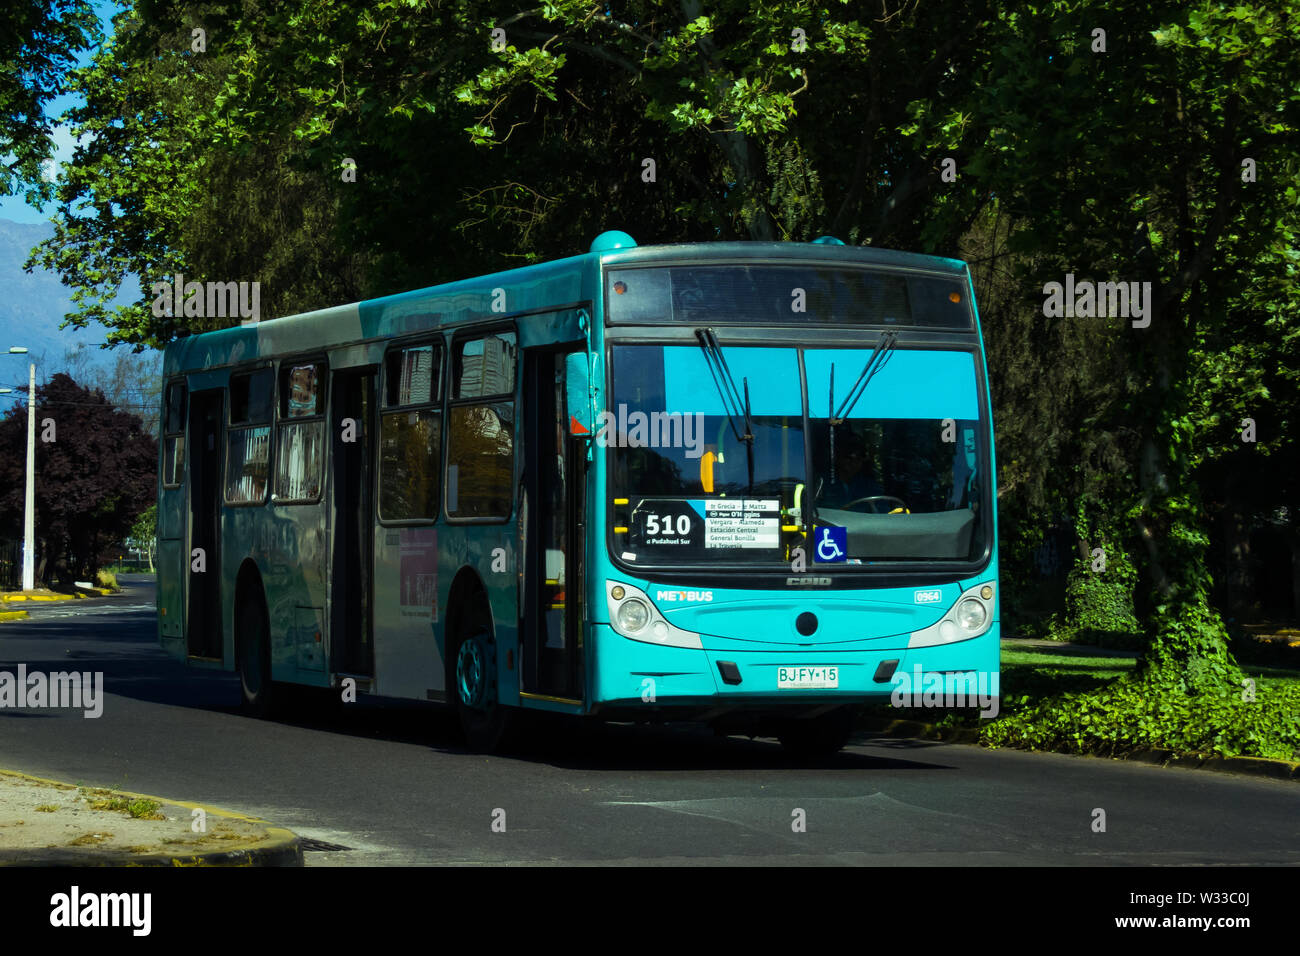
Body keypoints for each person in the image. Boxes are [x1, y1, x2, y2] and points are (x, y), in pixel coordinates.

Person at [822, 432, 884, 509]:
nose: (853, 462)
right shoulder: (823, 484)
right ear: (837, 457)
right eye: (849, 457)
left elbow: (882, 509)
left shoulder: (870, 485)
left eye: (858, 458)